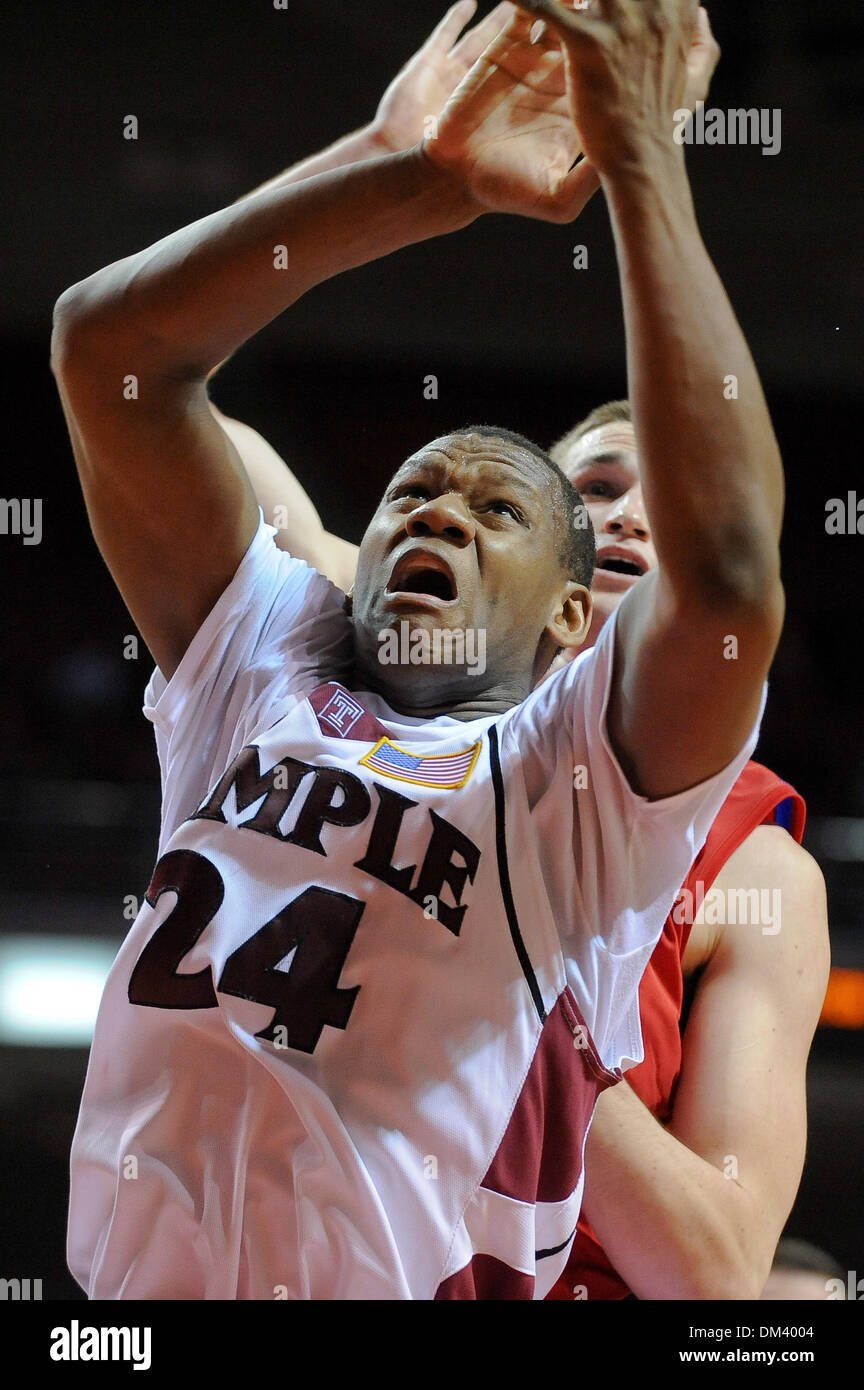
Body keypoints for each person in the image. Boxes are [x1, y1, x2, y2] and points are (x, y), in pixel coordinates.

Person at [52, 1, 783, 1299]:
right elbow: (115, 359)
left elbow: (729, 575)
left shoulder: (607, 789)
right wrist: (411, 175)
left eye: (496, 505)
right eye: (416, 494)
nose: (440, 507)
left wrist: (640, 161)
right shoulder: (278, 644)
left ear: (571, 613)